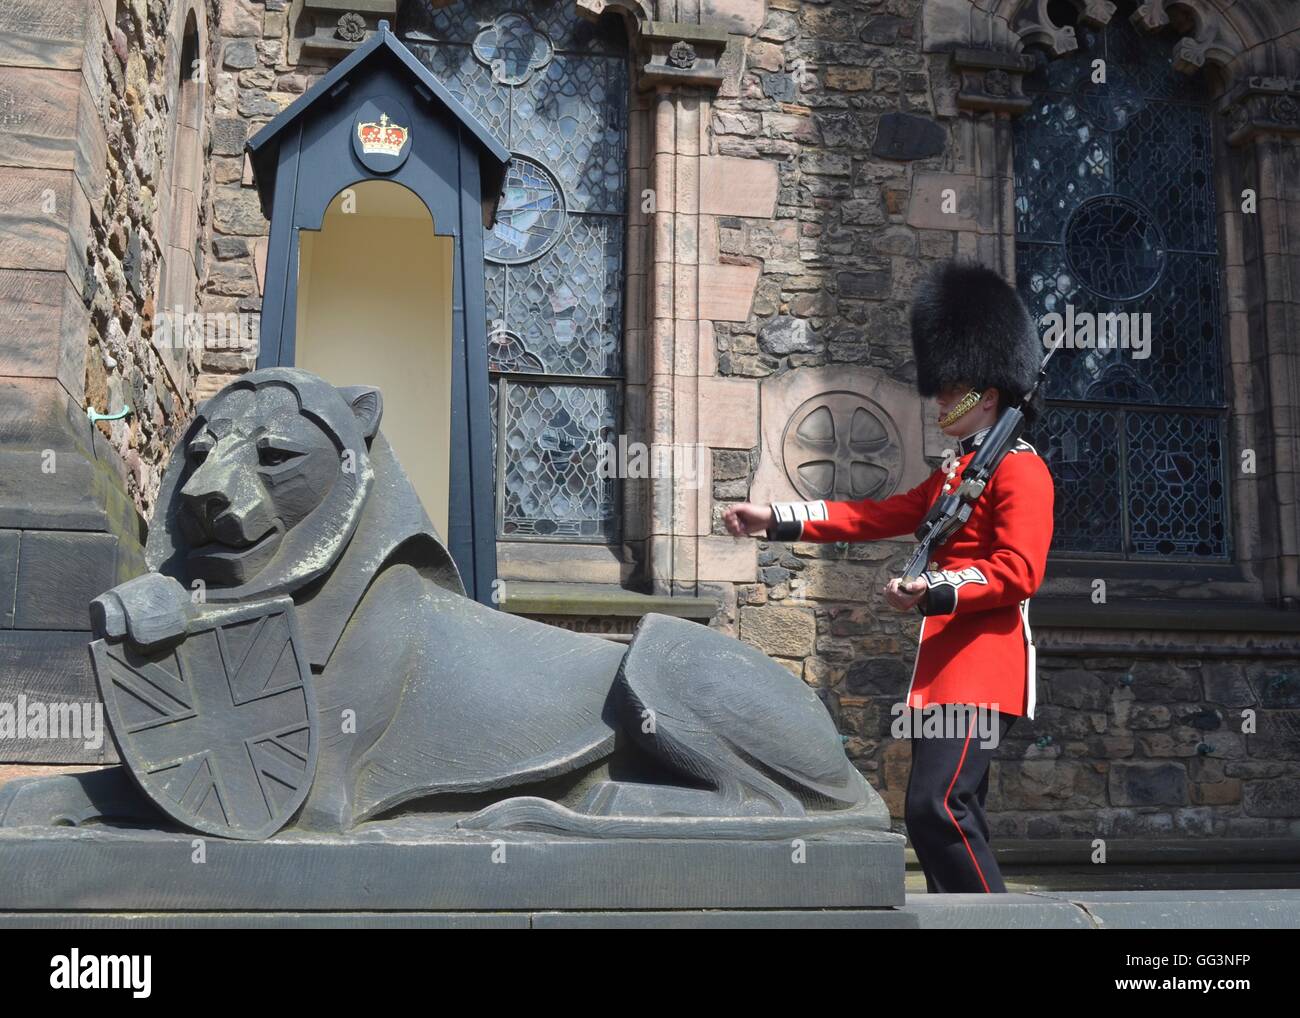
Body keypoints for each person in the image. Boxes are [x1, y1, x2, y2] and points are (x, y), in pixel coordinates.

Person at [723, 260, 1054, 893]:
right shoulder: (956, 476)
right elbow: (872, 515)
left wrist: (935, 589)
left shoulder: (1020, 472)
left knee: (939, 809)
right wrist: (775, 518)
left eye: (948, 385)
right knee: (944, 812)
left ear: (985, 392)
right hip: (946, 670)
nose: (936, 398)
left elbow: (1018, 573)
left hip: (985, 668)